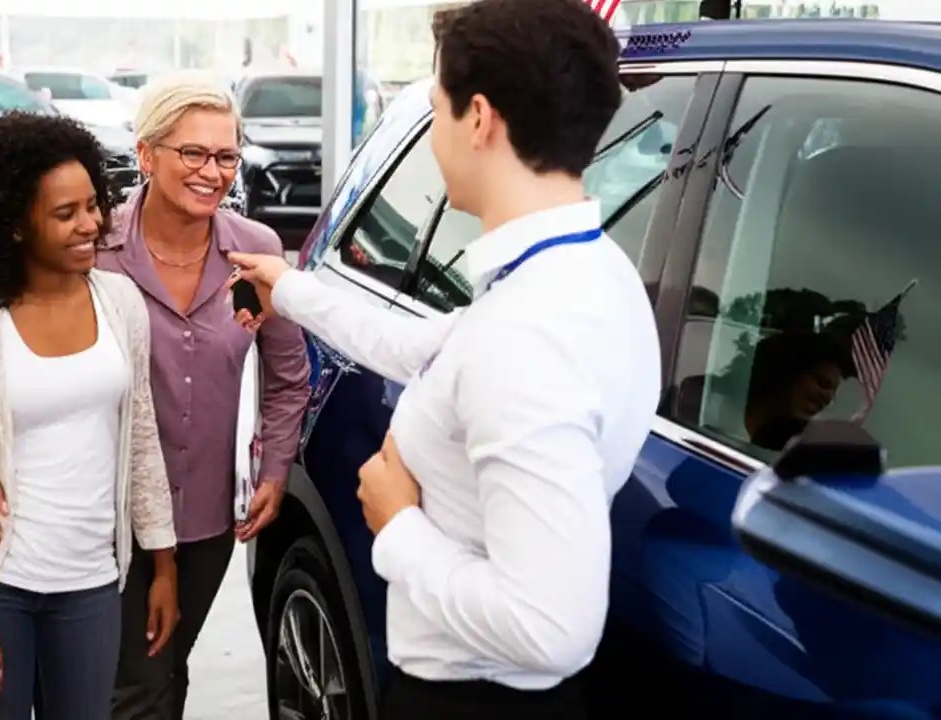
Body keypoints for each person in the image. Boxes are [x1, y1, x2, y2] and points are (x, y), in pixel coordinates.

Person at [228, 1, 661, 718]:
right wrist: (293, 290)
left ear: (480, 119)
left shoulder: (529, 332)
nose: (433, 135)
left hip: (475, 696)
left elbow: (551, 629)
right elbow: (432, 351)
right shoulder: (588, 271)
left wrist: (396, 526)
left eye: (436, 109)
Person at [0, 71, 312, 720]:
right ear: (147, 154)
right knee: (132, 687)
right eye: (193, 153)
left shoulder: (254, 254)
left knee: (161, 670)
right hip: (97, 514)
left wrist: (273, 469)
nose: (213, 172)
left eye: (227, 156)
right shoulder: (93, 250)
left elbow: (288, 374)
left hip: (206, 517)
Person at [0, 111, 179, 720]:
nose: (91, 224)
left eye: (94, 205)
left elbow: (141, 436)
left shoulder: (119, 302)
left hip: (90, 581)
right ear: (13, 226)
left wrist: (161, 566)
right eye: (66, 214)